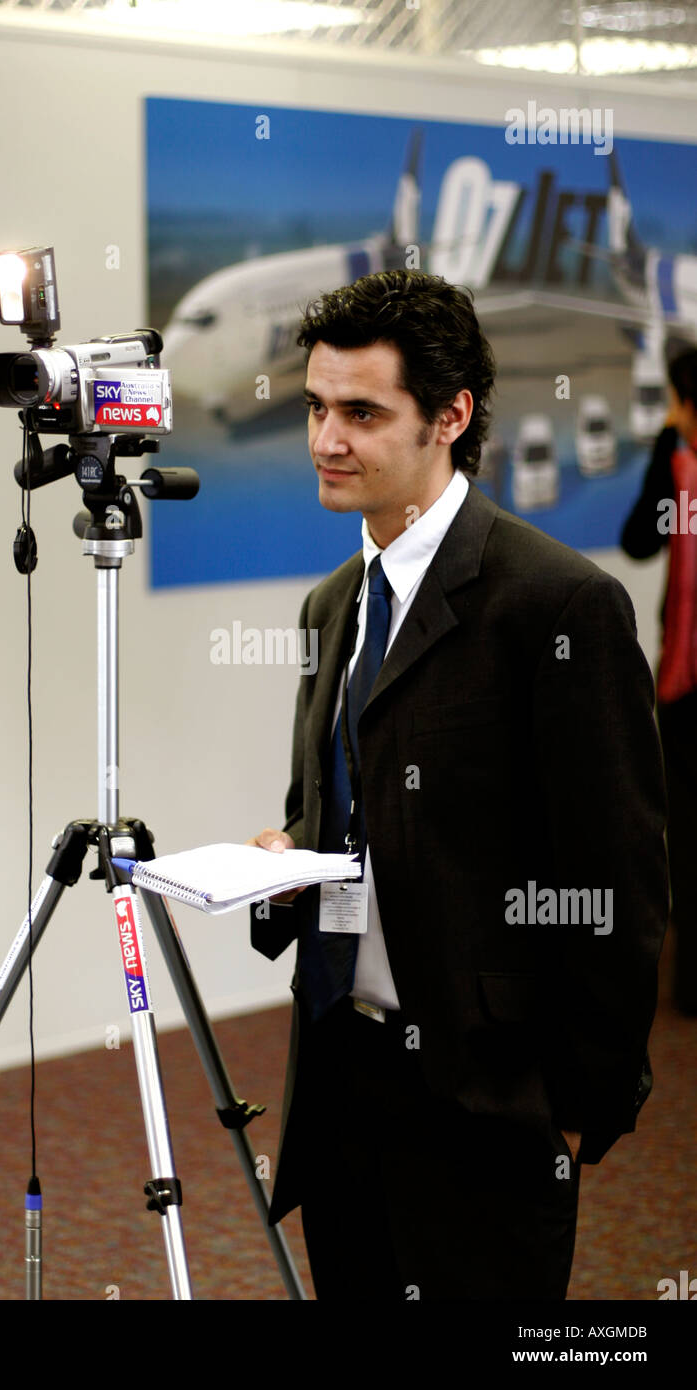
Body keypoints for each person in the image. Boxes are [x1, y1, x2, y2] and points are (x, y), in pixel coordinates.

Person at [247, 270, 668, 1301]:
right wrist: (289, 853)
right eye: (313, 407)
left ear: (450, 416)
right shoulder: (328, 606)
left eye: (360, 412)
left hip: (488, 1104)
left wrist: (577, 1108)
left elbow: (616, 879)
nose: (324, 439)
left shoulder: (557, 604)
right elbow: (345, 808)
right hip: (342, 1084)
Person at [622, 347, 697, 1016]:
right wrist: (666, 449)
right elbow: (638, 541)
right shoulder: (675, 459)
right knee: (684, 821)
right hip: (683, 673)